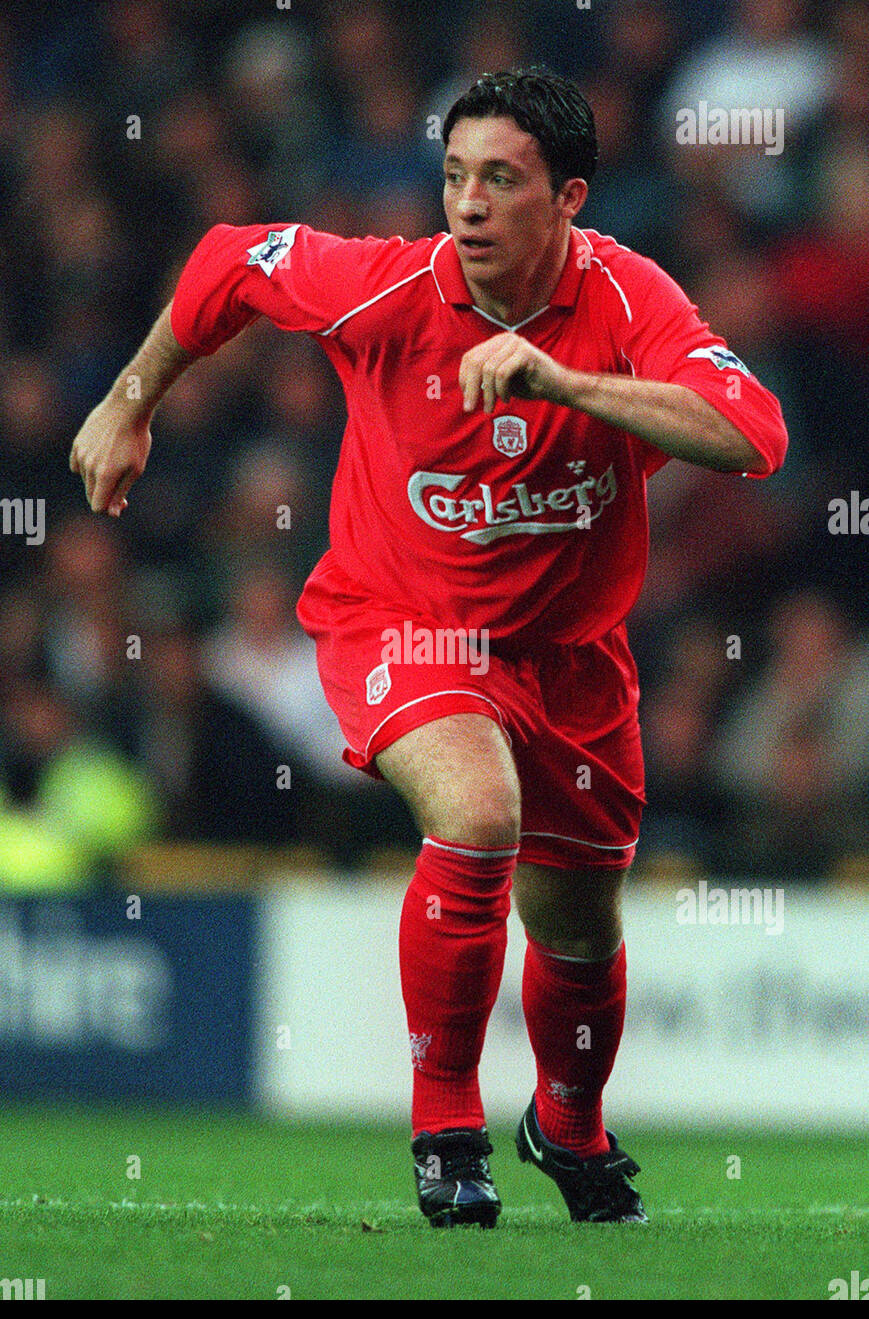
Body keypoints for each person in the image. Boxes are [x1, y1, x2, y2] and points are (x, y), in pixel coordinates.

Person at [70, 68, 788, 1228]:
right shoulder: (384, 286)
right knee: (477, 808)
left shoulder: (629, 298)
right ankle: (445, 1128)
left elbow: (754, 434)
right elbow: (227, 261)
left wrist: (564, 381)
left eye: (499, 180)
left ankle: (566, 1120)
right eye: (453, 175)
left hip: (571, 657)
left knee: (575, 925)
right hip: (400, 620)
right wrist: (130, 394)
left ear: (569, 199)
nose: (465, 204)